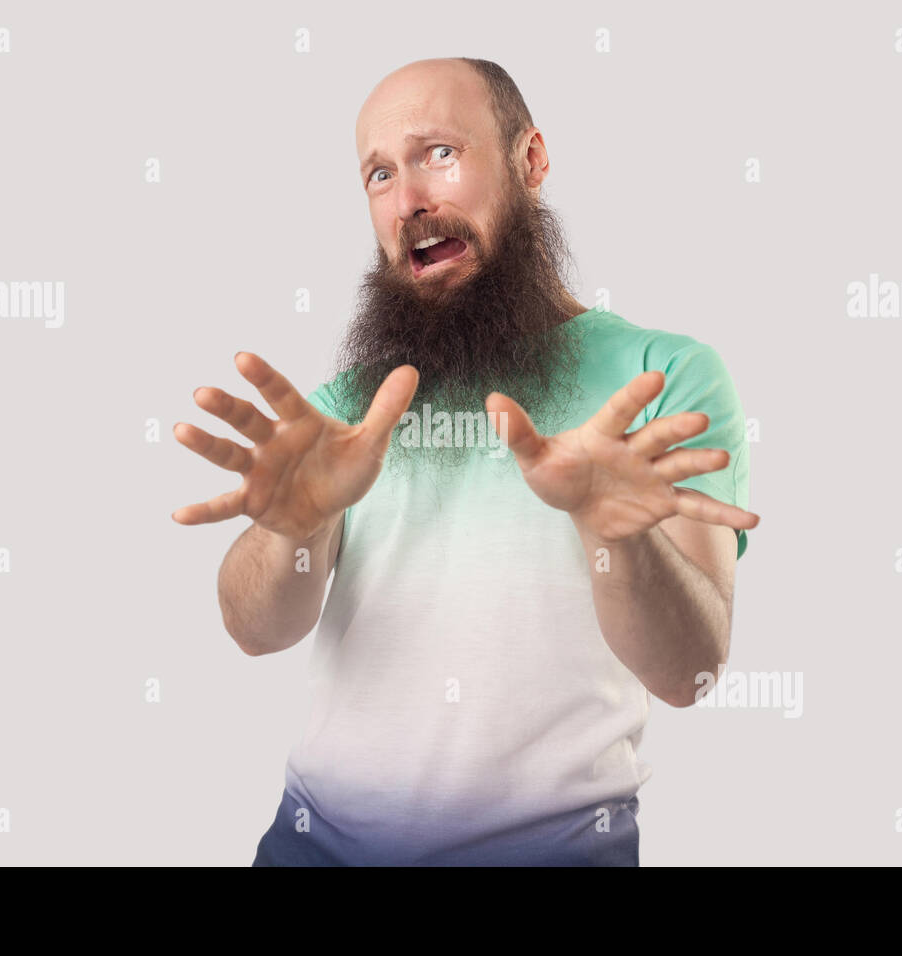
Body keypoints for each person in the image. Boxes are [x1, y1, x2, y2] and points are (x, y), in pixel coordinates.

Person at [172, 57, 760, 866]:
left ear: (531, 162)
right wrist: (293, 527)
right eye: (380, 174)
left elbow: (690, 671)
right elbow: (253, 630)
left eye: (438, 154)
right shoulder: (349, 408)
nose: (409, 200)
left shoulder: (665, 376)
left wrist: (616, 533)